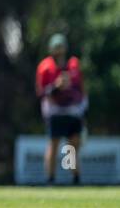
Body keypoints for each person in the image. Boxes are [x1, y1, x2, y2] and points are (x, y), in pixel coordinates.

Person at [35, 33, 87, 185]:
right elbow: (41, 92)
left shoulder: (73, 65)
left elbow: (81, 88)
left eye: (61, 47)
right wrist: (56, 87)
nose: (59, 51)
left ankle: (75, 177)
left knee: (72, 145)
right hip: (55, 110)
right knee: (54, 143)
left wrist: (83, 108)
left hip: (73, 109)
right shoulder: (45, 67)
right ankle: (50, 178)